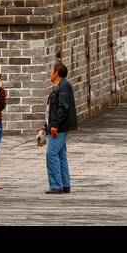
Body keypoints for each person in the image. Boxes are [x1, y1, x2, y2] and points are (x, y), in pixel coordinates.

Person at [43, 62, 78, 194]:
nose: (51, 73)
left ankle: (56, 185)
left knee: (51, 154)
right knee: (60, 154)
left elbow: (63, 108)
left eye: (52, 71)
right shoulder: (60, 86)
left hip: (59, 128)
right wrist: (46, 125)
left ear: (57, 73)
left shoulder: (63, 87)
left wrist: (55, 126)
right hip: (57, 126)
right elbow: (52, 109)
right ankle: (65, 184)